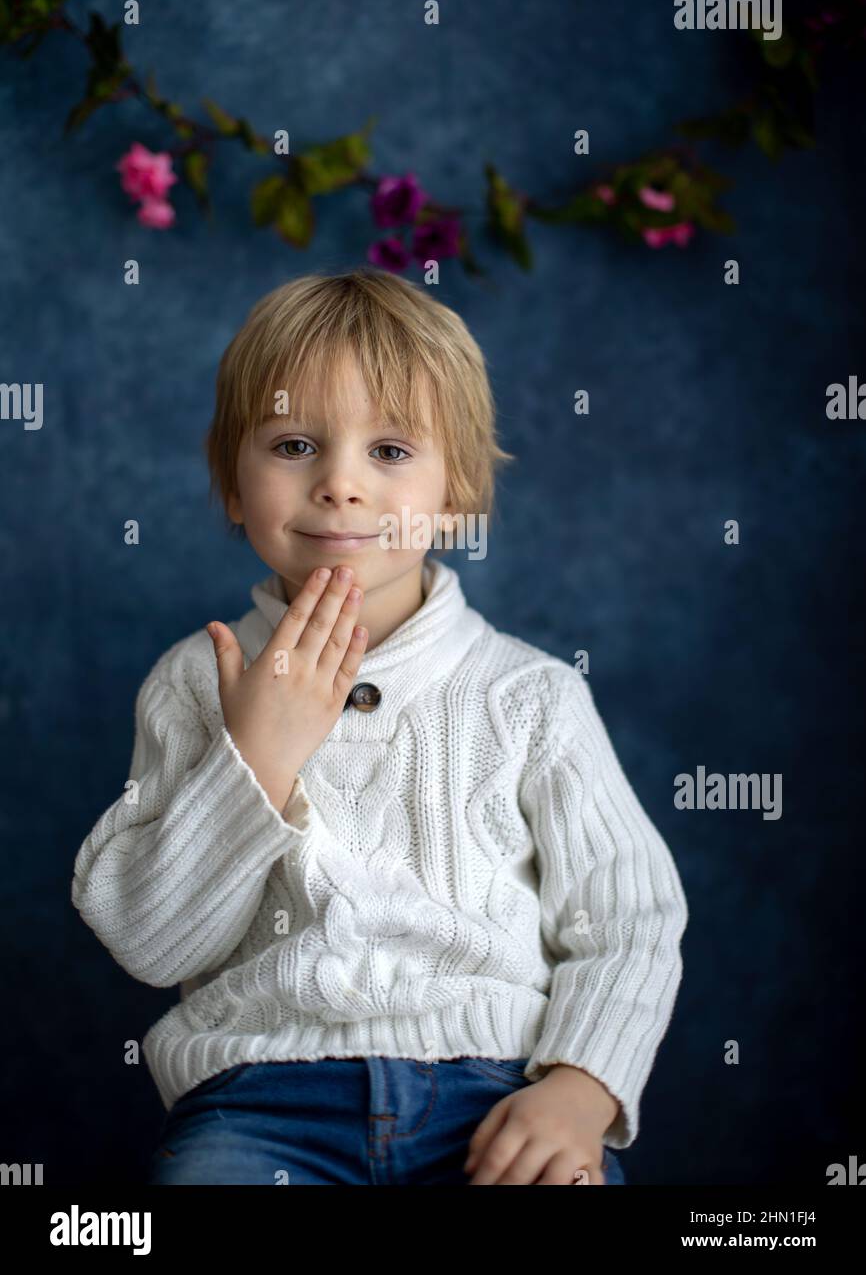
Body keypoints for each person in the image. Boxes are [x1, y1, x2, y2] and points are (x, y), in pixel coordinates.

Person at [71, 268, 688, 1185]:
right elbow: (154, 945)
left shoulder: (532, 696)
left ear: (460, 489)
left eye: (392, 451)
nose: (340, 486)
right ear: (232, 483)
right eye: (293, 444)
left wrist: (579, 1089)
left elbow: (630, 920)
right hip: (257, 1111)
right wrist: (260, 753)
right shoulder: (197, 683)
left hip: (494, 1097)